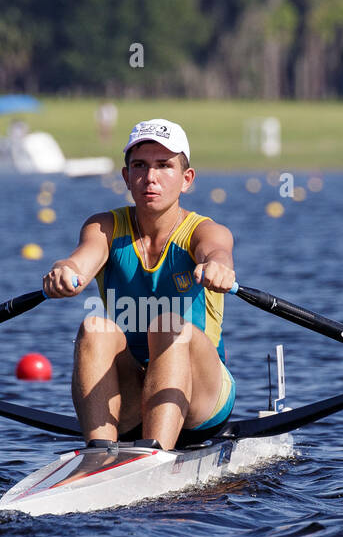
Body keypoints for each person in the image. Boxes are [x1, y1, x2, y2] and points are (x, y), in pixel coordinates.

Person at [42, 119, 236, 450]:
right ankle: (98, 454)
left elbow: (217, 252)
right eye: (140, 166)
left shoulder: (205, 231)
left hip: (202, 401)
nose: (151, 177)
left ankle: (153, 455)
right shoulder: (104, 227)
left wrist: (218, 267)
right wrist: (64, 270)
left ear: (186, 179)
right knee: (94, 328)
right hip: (131, 396)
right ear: (126, 176)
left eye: (164, 166)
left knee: (168, 326)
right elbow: (80, 261)